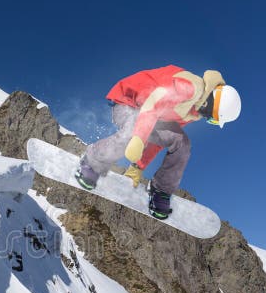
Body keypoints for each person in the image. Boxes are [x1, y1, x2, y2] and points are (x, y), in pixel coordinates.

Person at [75, 65, 241, 220]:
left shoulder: (192, 113)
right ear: (210, 103)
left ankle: (160, 192)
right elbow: (152, 106)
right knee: (132, 129)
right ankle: (92, 161)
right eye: (212, 119)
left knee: (182, 142)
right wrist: (139, 138)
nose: (208, 120)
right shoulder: (188, 87)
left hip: (150, 117)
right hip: (129, 102)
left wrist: (137, 166)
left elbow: (160, 139)